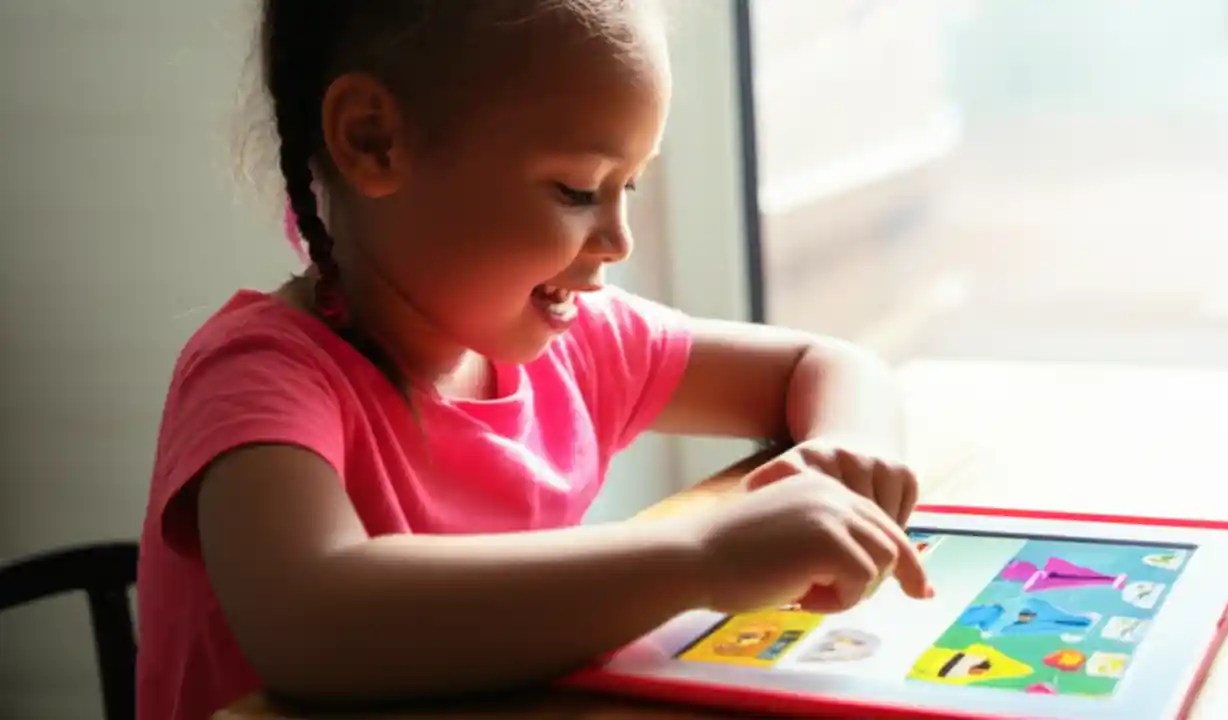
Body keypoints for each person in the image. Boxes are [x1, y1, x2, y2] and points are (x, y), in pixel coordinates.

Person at [135, 2, 934, 718]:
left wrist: (848, 457)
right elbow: (310, 622)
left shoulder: (578, 340)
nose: (618, 240)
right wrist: (705, 556)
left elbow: (825, 365)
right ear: (373, 141)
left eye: (631, 186)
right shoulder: (258, 375)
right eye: (578, 191)